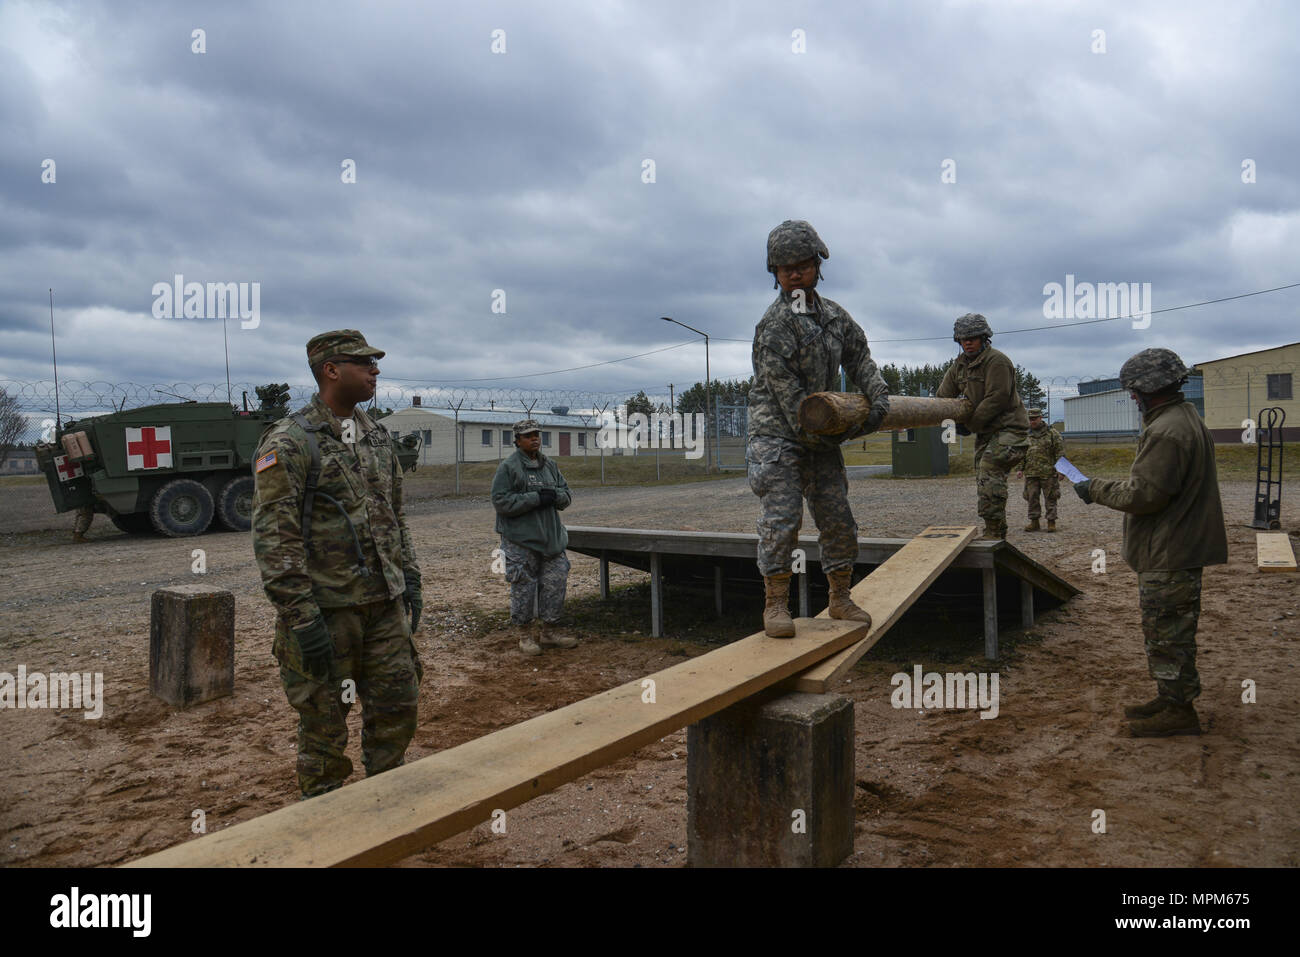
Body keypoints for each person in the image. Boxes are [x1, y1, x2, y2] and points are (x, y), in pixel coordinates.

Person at [251, 329, 423, 798]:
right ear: (331, 370)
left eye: (374, 363)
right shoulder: (289, 442)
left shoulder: (377, 436)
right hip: (327, 613)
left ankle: (385, 808)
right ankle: (324, 821)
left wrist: (408, 576)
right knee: (325, 724)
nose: (375, 371)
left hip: (383, 607)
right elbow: (275, 538)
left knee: (397, 708)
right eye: (364, 363)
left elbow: (395, 513)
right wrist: (300, 618)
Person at [1072, 348, 1226, 737]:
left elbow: (1145, 496)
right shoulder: (1184, 417)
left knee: (1167, 632)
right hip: (1177, 545)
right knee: (1169, 631)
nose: (1132, 398)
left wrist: (1094, 488)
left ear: (1147, 390)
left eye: (1134, 392)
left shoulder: (1166, 431)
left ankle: (1179, 711)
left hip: (1170, 552)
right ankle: (1171, 697)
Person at [747, 220, 890, 638]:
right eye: (784, 267)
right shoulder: (774, 326)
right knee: (783, 520)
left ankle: (840, 597)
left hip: (822, 431)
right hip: (779, 435)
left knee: (838, 518)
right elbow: (790, 399)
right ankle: (775, 604)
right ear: (774, 271)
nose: (794, 273)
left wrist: (877, 399)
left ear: (817, 265)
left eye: (802, 265)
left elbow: (860, 358)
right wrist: (841, 432)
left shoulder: (834, 317)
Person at [935, 314, 1029, 539]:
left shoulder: (997, 361)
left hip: (1010, 431)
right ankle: (997, 532)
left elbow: (997, 397)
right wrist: (953, 420)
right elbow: (943, 397)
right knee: (985, 480)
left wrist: (970, 423)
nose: (968, 342)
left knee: (989, 471)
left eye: (973, 338)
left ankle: (994, 532)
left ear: (984, 338)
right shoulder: (959, 366)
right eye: (963, 339)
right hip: (986, 434)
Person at [492, 418, 576, 656]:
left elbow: (567, 495)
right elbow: (501, 502)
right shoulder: (508, 468)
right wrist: (535, 498)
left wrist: (555, 496)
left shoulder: (550, 465)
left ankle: (549, 631)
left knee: (555, 583)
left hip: (551, 539)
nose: (534, 438)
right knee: (523, 587)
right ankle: (524, 635)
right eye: (528, 435)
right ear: (517, 441)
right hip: (521, 541)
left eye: (537, 434)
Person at [1020, 407, 1064, 531]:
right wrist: (1020, 469)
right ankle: (1034, 522)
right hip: (1031, 473)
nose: (1032, 421)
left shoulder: (1052, 433)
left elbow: (1059, 452)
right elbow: (1022, 453)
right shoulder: (1026, 435)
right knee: (1032, 497)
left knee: (1051, 497)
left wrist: (1061, 470)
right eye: (1030, 419)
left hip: (1048, 473)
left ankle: (1051, 522)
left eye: (1034, 419)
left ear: (1040, 418)